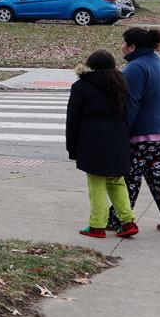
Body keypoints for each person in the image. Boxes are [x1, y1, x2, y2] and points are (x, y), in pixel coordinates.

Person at [108, 27, 160, 233]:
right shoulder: (159, 62)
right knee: (158, 174)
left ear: (132, 47)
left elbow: (130, 103)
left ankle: (119, 218)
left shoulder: (136, 68)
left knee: (130, 176)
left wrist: (123, 131)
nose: (122, 47)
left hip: (143, 132)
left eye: (124, 43)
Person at [66, 50, 139, 238]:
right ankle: (128, 221)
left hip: (92, 139)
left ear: (90, 65)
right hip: (119, 136)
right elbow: (129, 111)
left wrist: (72, 147)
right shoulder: (120, 83)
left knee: (96, 182)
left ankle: (97, 225)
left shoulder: (81, 86)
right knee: (117, 181)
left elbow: (72, 119)